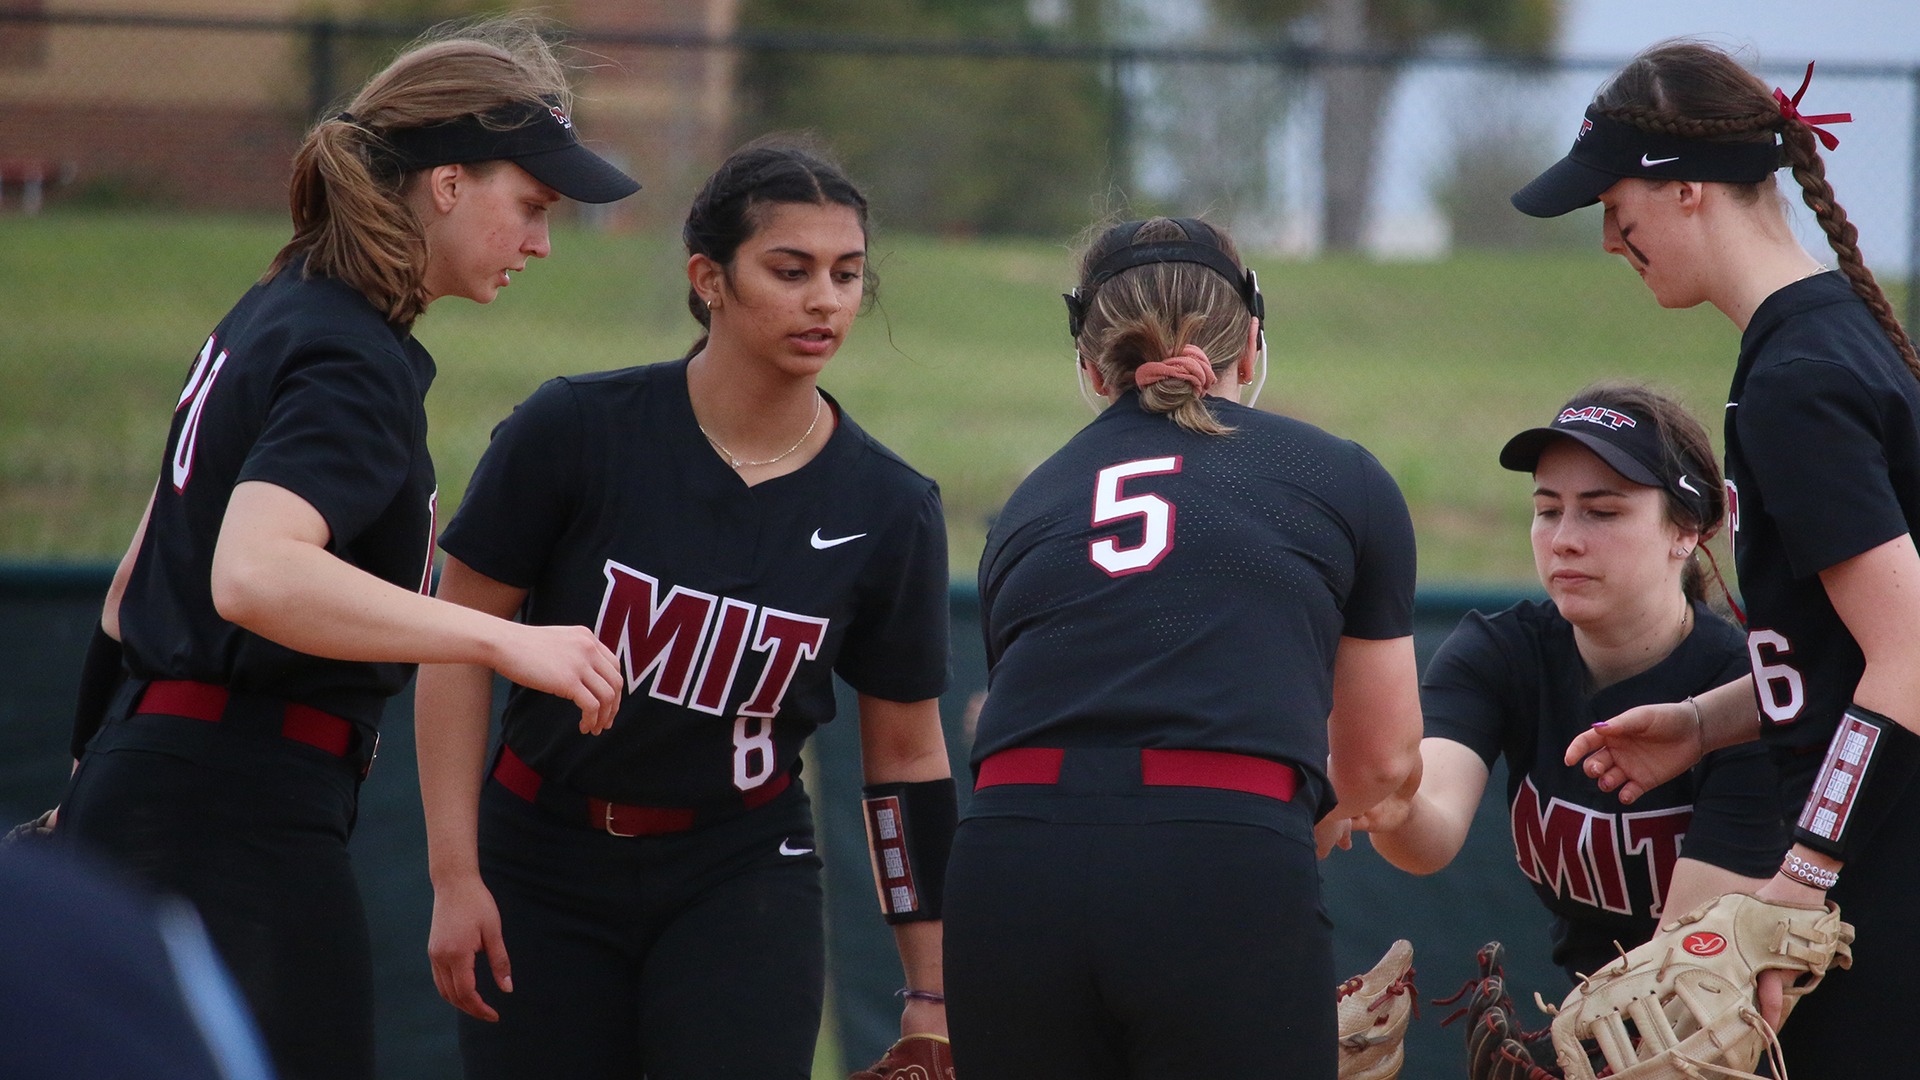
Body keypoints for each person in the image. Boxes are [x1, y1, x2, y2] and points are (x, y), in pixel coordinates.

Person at [54, 16, 638, 1079]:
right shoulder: (351, 352)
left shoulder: (276, 308)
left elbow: (134, 581)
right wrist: (501, 643)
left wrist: (99, 780)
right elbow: (254, 572)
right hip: (234, 812)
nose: (543, 241)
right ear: (448, 181)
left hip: (158, 783)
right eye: (533, 205)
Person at [415, 139, 955, 1080]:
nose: (824, 299)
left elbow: (908, 756)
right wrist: (455, 877)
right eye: (789, 270)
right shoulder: (577, 430)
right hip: (541, 849)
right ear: (708, 277)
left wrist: (931, 992)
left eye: (847, 274)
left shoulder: (888, 505)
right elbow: (455, 647)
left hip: (742, 860)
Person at [941, 216, 1424, 1080]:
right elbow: (1383, 763)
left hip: (1007, 861)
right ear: (1253, 336)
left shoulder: (1030, 500)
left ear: (1091, 362)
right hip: (1218, 855)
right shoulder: (1341, 475)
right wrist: (1297, 823)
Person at [1529, 41, 1920, 1075]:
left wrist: (1803, 874)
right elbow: (1847, 647)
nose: (1615, 242)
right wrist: (1710, 721)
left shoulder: (1799, 377)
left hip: (1886, 867)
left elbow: (1914, 651)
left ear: (1687, 191)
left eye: (1618, 211)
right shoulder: (1825, 338)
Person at [1353, 384, 1785, 1071]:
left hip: (1741, 1040)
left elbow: (1688, 966)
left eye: (1603, 511)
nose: (1566, 539)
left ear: (1688, 529)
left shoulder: (1742, 695)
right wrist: (1391, 800)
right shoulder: (1501, 653)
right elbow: (1427, 837)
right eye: (1547, 510)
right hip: (1599, 1030)